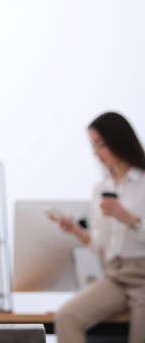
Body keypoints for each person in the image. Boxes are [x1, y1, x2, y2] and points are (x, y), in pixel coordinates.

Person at [50, 112, 145, 343]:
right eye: (92, 145)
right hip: (116, 275)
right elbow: (100, 244)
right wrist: (75, 231)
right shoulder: (100, 188)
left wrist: (129, 219)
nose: (95, 152)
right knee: (67, 317)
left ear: (119, 141)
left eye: (100, 144)